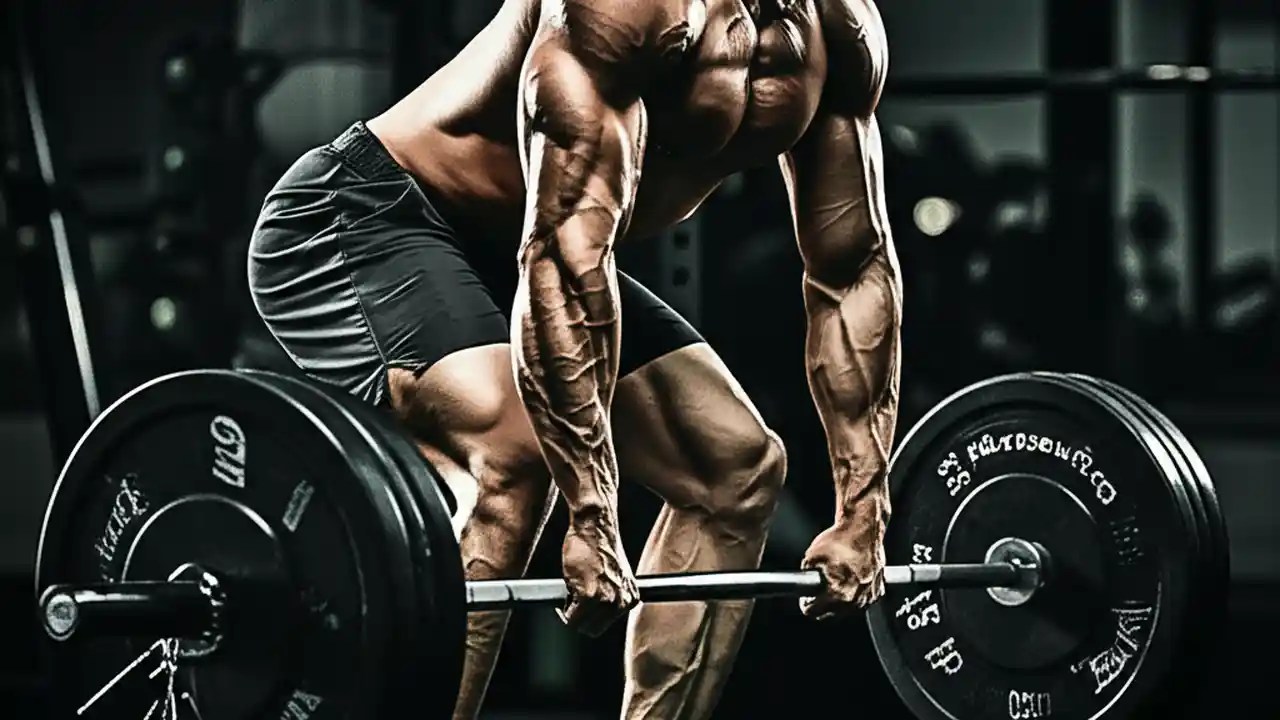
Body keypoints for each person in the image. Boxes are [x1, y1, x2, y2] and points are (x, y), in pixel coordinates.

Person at [247, 0, 900, 716]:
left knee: (736, 468)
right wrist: (592, 511)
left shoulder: (842, 31)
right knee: (513, 453)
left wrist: (864, 508)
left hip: (522, 243)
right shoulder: (631, 11)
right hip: (371, 212)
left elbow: (854, 271)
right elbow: (563, 258)